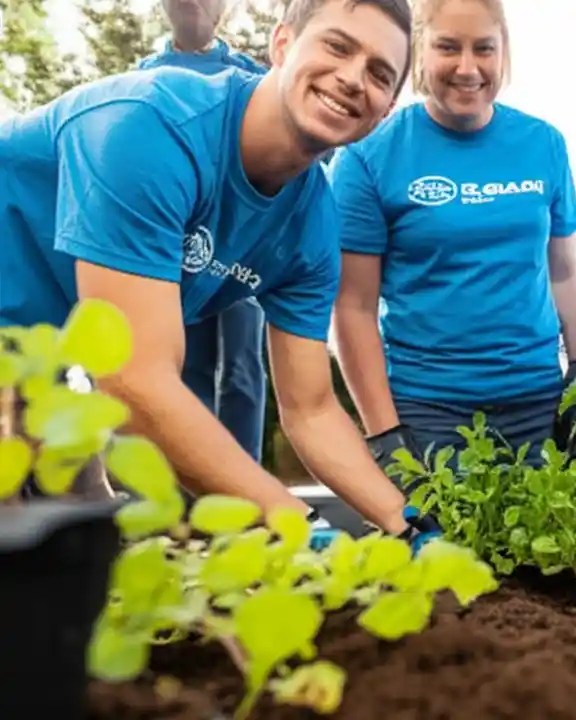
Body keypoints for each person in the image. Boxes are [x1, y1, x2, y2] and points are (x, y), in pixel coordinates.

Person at [0, 0, 435, 548]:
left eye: (379, 74)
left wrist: (407, 522)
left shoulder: (312, 227)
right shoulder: (150, 128)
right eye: (337, 46)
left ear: (385, 109)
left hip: (48, 363)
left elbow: (312, 409)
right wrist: (293, 521)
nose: (352, 79)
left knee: (85, 562)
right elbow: (136, 380)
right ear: (281, 45)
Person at [329, 0, 576, 471]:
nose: (468, 68)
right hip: (428, 410)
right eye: (448, 47)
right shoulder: (367, 158)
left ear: (504, 53)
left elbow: (565, 269)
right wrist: (384, 431)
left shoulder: (544, 144)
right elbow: (352, 308)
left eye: (484, 49)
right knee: (443, 546)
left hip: (539, 403)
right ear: (419, 51)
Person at [139, 0, 271, 465]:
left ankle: (245, 488)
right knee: (186, 365)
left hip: (239, 248)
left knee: (242, 367)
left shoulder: (251, 76)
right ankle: (195, 485)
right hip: (172, 248)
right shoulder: (144, 76)